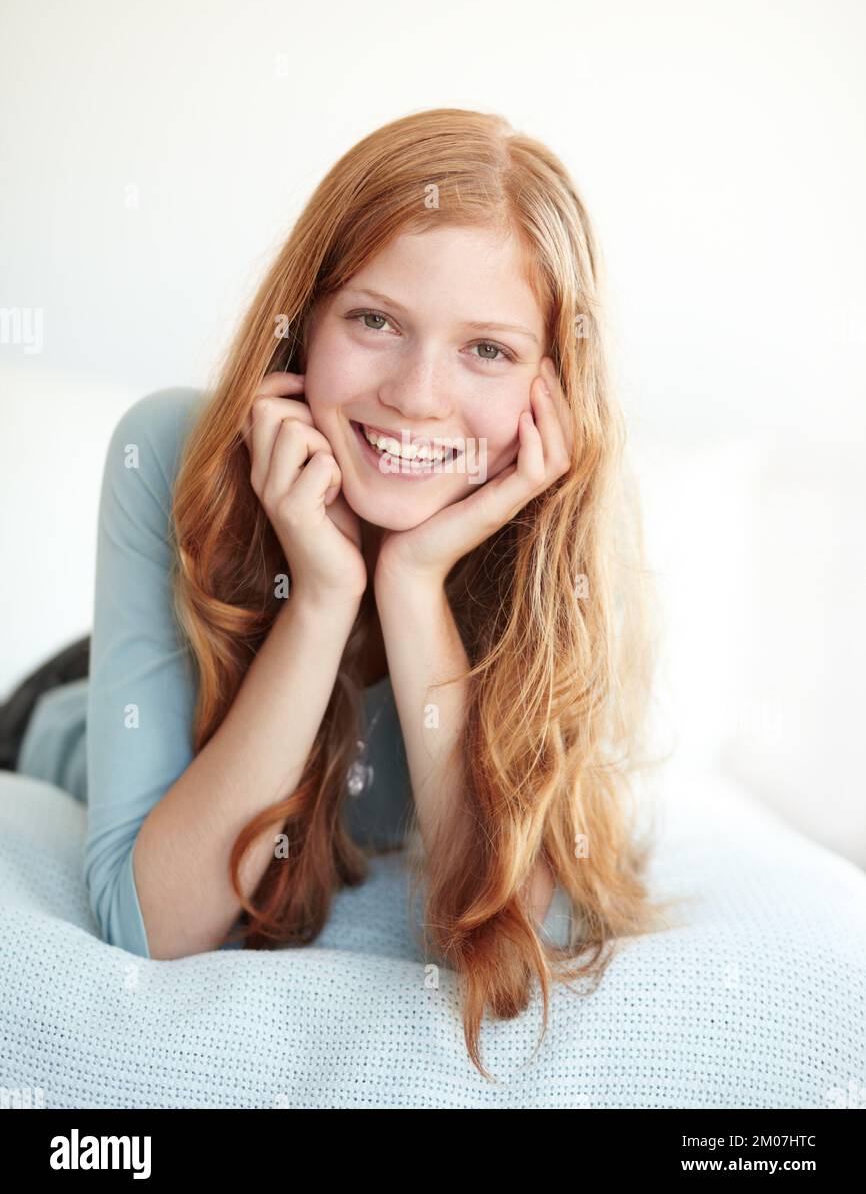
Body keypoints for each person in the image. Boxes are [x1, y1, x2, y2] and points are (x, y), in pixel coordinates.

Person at [2, 107, 673, 1081]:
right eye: (373, 320)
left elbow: (519, 937)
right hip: (72, 704)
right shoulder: (167, 450)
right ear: (302, 325)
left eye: (485, 349)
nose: (415, 395)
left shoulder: (557, 527)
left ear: (548, 386)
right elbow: (150, 926)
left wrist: (408, 582)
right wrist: (320, 597)